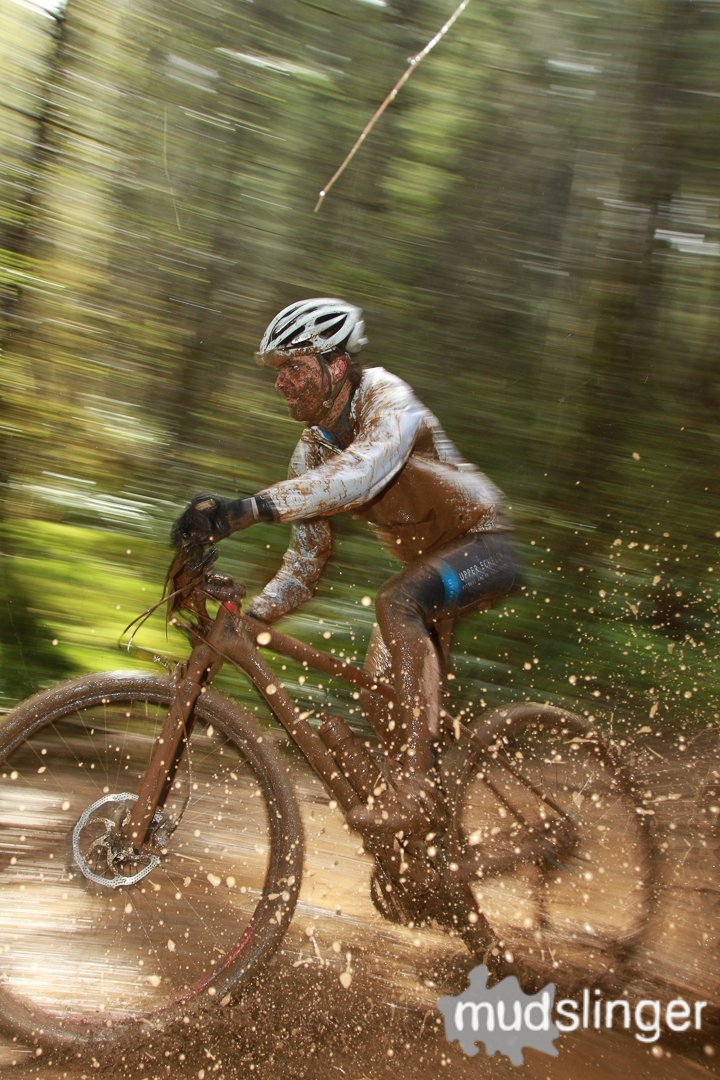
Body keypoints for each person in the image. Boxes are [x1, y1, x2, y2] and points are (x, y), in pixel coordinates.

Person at [172, 298, 520, 836]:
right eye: (277, 372)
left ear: (336, 365)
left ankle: (416, 791)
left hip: (484, 544)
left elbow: (362, 472)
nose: (281, 383)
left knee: (396, 601)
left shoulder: (387, 398)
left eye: (295, 367)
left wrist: (247, 510)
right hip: (428, 570)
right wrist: (248, 618)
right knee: (378, 693)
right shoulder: (310, 451)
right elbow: (305, 564)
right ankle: (435, 847)